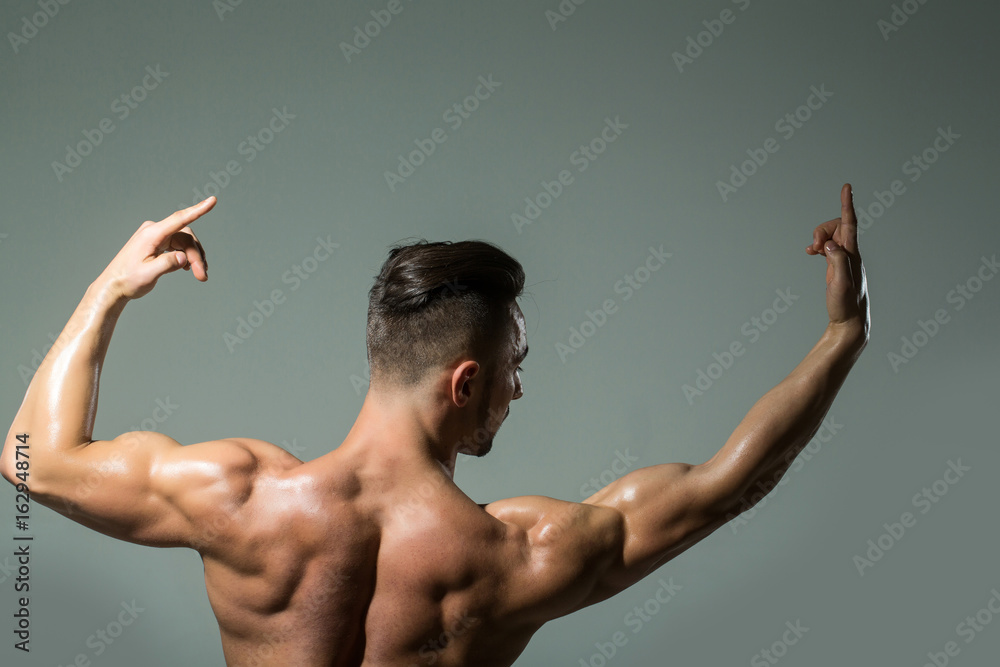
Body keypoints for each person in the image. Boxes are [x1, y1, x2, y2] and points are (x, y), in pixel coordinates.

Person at [1, 183, 869, 666]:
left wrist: (106, 291)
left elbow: (30, 458)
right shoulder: (520, 554)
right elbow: (728, 487)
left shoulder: (241, 496)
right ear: (465, 382)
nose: (518, 392)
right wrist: (843, 334)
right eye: (513, 369)